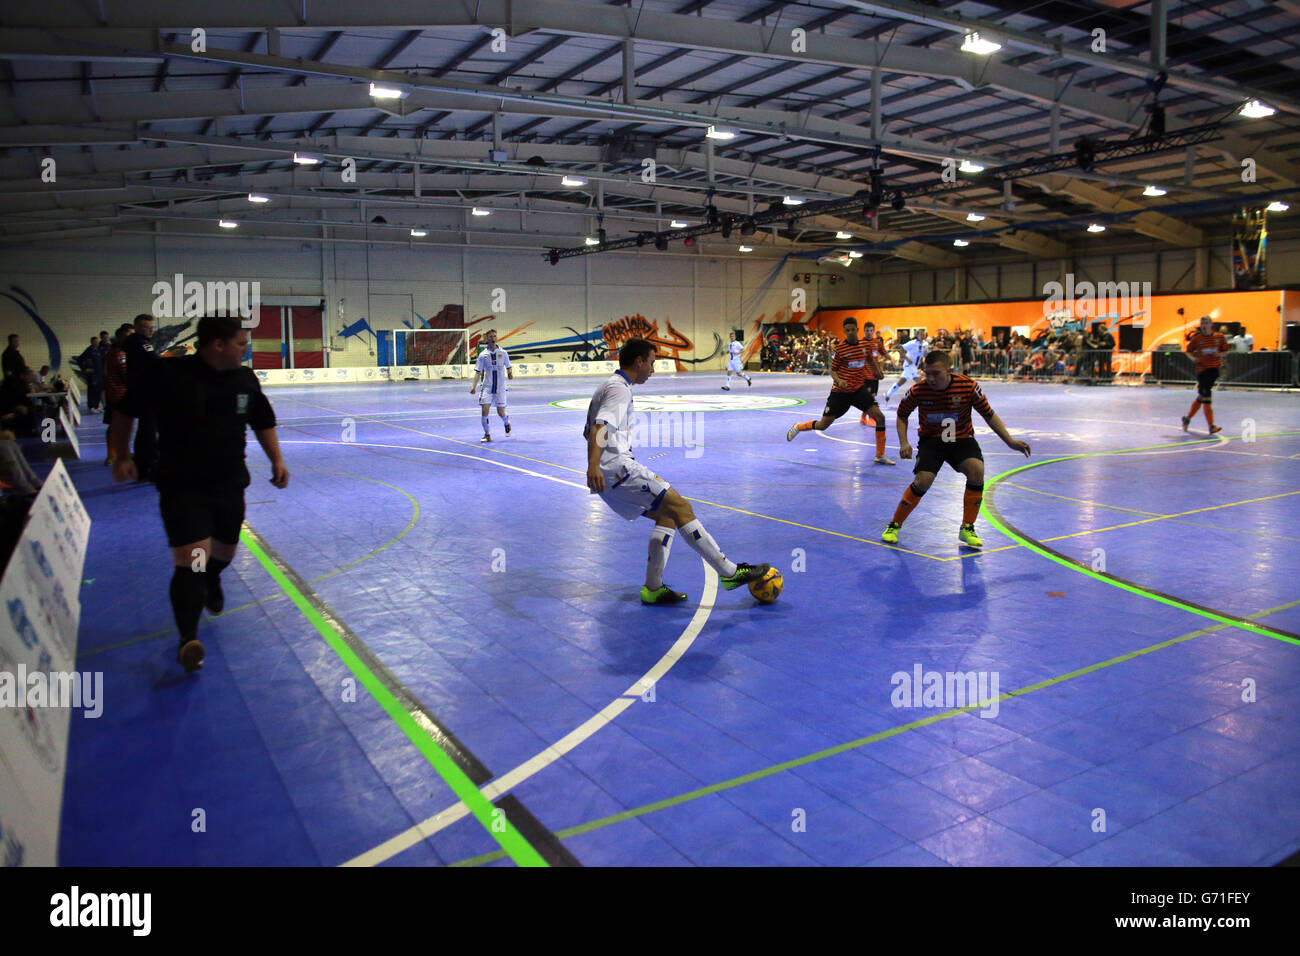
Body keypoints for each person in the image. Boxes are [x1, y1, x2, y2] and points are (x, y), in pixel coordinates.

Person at [111, 317, 289, 673]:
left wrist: (277, 460)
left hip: (229, 482)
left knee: (224, 551)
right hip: (182, 485)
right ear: (217, 345)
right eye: (241, 343)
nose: (246, 349)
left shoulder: (245, 379)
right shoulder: (168, 375)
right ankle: (188, 640)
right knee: (192, 560)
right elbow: (126, 411)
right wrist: (123, 454)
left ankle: (214, 577)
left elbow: (262, 421)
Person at [586, 338, 770, 605]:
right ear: (639, 361)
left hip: (609, 473)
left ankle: (652, 588)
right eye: (651, 362)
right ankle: (729, 572)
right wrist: (594, 466)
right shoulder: (619, 390)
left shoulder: (610, 385)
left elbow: (590, 429)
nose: (653, 369)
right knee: (681, 507)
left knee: (668, 517)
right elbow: (599, 427)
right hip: (617, 469)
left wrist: (595, 465)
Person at [882, 350, 1031, 549]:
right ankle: (894, 525)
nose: (931, 378)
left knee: (977, 470)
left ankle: (967, 527)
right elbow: (902, 415)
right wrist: (904, 442)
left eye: (936, 373)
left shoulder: (968, 386)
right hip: (932, 442)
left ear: (949, 371)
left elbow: (989, 415)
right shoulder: (918, 390)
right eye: (928, 373)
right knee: (923, 480)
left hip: (961, 439)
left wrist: (1009, 441)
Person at [788, 317, 894, 465]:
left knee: (880, 418)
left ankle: (880, 455)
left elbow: (870, 359)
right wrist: (839, 381)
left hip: (858, 390)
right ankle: (799, 426)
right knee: (823, 425)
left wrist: (877, 372)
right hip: (840, 393)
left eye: (852, 330)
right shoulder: (840, 349)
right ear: (844, 332)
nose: (850, 333)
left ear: (857, 330)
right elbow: (832, 370)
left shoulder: (864, 346)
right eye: (847, 330)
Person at [125, 314, 160, 480]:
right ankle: (146, 467)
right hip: (145, 391)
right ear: (138, 327)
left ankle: (143, 465)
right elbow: (154, 362)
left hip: (143, 390)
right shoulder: (139, 343)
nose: (151, 330)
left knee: (146, 430)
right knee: (148, 430)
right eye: (148, 327)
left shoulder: (137, 342)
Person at [1182, 314, 1229, 434]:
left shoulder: (1219, 337)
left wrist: (1219, 355)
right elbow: (1188, 351)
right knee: (1207, 396)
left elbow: (1226, 351)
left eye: (1206, 323)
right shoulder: (1197, 339)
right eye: (1202, 323)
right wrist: (1193, 359)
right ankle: (1211, 426)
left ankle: (1187, 419)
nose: (1204, 326)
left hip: (1214, 371)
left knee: (1202, 397)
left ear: (1211, 324)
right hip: (1202, 371)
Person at [469, 328, 512, 442]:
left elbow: (508, 366)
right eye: (490, 337)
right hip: (487, 387)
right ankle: (487, 434)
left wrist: (510, 373)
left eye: (494, 336)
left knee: (500, 412)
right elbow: (478, 372)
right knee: (484, 411)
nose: (493, 338)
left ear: (496, 338)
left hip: (500, 388)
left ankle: (506, 422)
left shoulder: (503, 353)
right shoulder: (483, 355)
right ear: (486, 339)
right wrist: (473, 387)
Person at [103, 324, 132, 465]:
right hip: (119, 394)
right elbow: (125, 374)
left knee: (120, 425)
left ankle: (118, 453)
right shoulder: (119, 353)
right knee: (117, 425)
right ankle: (112, 455)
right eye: (129, 335)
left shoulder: (113, 351)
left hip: (116, 393)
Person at [883, 329, 928, 406]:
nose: (922, 336)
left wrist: (926, 351)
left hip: (914, 366)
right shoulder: (912, 343)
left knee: (901, 382)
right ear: (917, 335)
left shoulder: (925, 344)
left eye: (923, 334)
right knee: (920, 382)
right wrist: (907, 359)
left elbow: (924, 355)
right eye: (920, 334)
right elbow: (901, 349)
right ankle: (924, 400)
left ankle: (888, 394)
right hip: (909, 365)